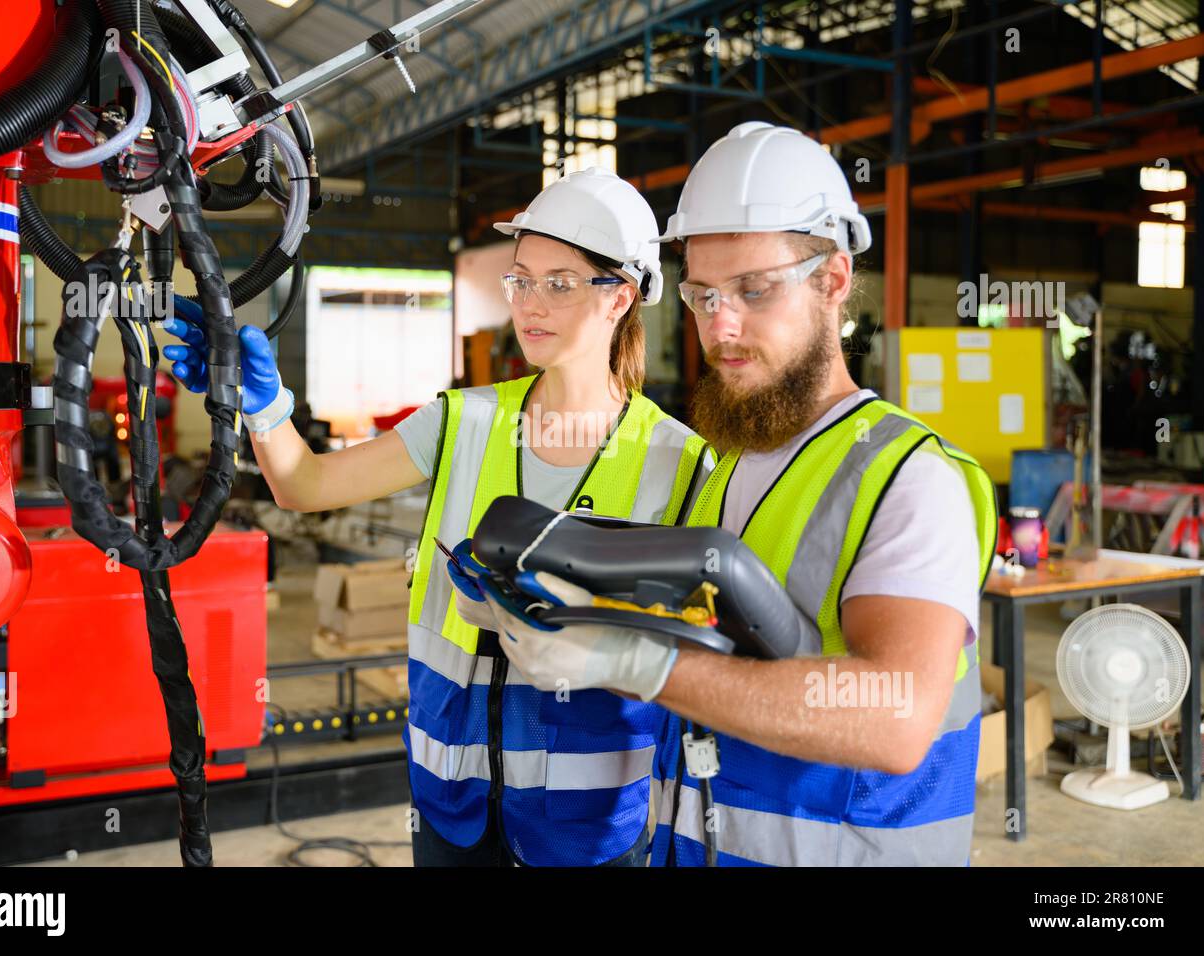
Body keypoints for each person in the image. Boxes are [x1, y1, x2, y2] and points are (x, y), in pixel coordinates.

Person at [162, 166, 711, 866]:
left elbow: (696, 658)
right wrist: (262, 408)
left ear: (620, 297)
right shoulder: (464, 421)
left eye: (560, 283)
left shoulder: (682, 464)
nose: (530, 304)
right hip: (454, 805)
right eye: (521, 279)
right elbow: (303, 484)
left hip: (593, 823)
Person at [480, 123, 997, 866]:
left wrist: (641, 667)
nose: (720, 327)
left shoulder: (907, 477)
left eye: (754, 290)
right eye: (701, 295)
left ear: (834, 278)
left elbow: (896, 717)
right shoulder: (722, 469)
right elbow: (714, 651)